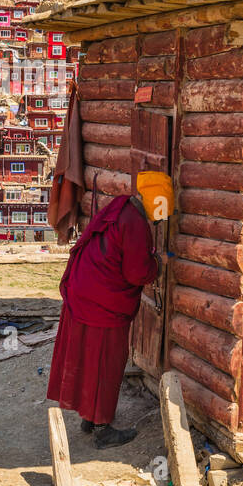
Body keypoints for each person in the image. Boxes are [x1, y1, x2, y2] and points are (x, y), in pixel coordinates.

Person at [47, 191, 158, 449]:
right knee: (105, 362)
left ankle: (90, 414)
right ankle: (102, 429)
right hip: (102, 303)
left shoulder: (121, 206)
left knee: (85, 358)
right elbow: (137, 273)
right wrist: (157, 265)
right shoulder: (135, 224)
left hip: (82, 291)